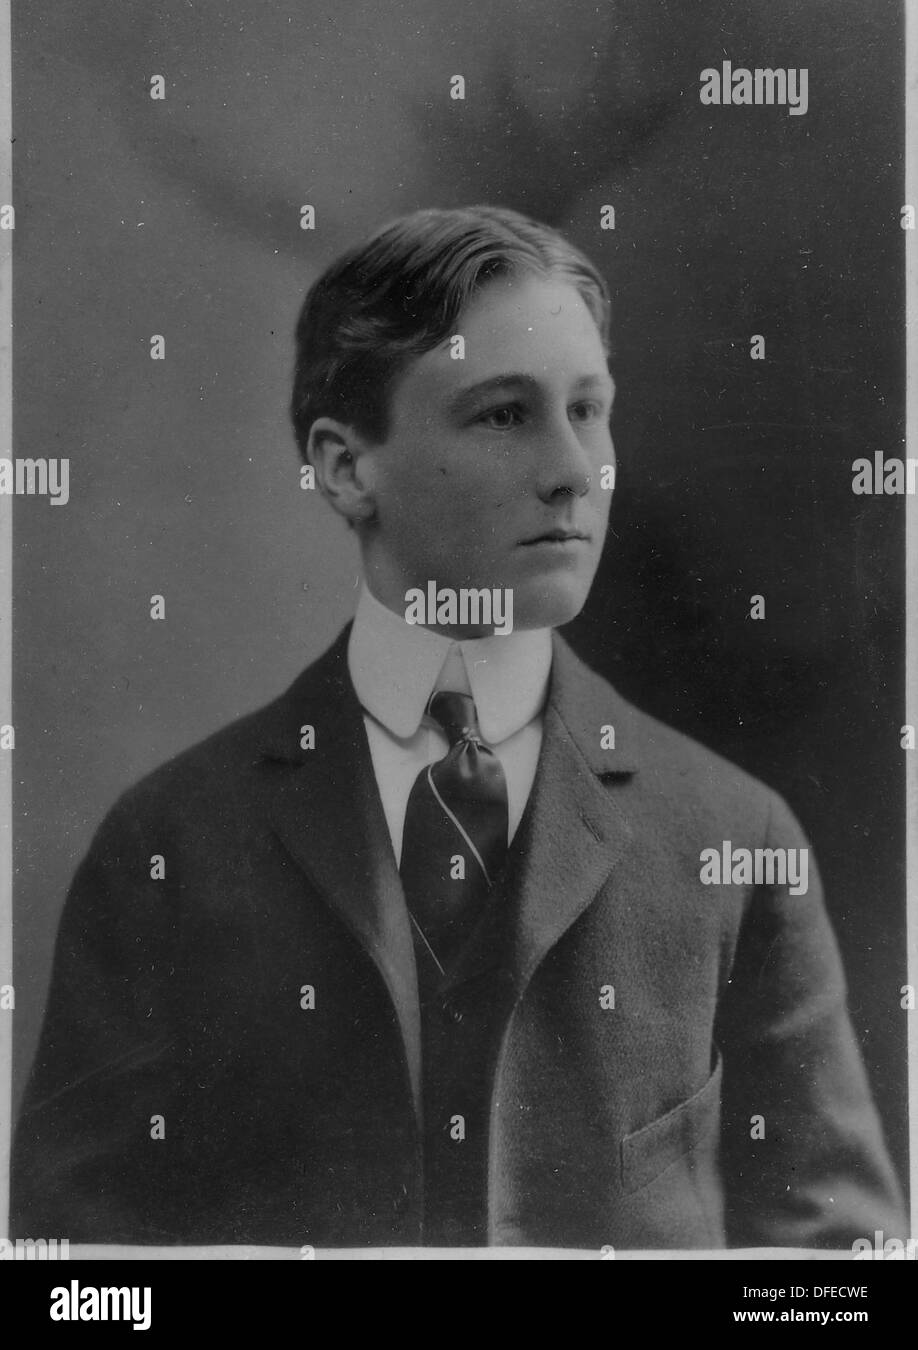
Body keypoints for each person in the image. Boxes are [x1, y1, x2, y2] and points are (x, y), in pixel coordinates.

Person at [11, 206, 905, 1251]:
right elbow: (70, 1269)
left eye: (590, 408)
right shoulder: (166, 844)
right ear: (347, 469)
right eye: (503, 415)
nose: (575, 467)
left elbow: (838, 1272)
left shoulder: (738, 840)